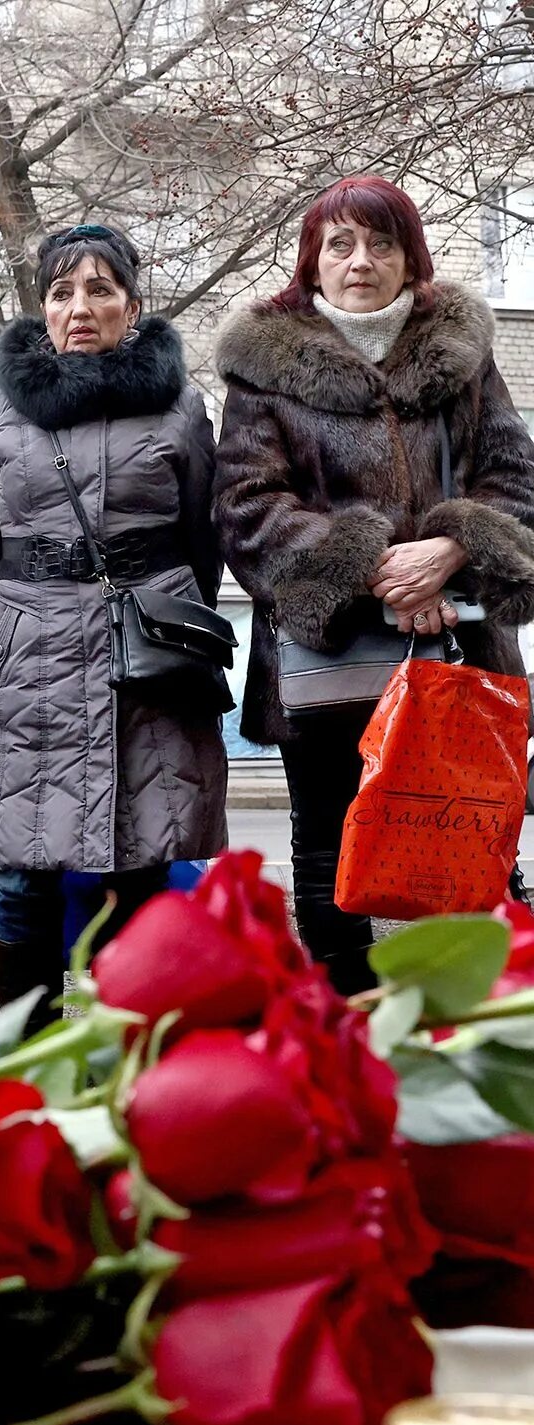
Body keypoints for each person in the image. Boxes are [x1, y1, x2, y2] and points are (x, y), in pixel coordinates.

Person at [216, 176, 534, 994]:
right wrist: (379, 567)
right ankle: (347, 1028)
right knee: (328, 848)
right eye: (341, 244)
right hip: (327, 657)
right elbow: (248, 509)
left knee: (468, 840)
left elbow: (515, 479)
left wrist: (454, 546)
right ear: (312, 262)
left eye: (381, 243)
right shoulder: (265, 370)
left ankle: (469, 1035)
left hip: (458, 652)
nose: (361, 262)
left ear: (410, 258)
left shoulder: (464, 358)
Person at [0, 223, 228, 1026]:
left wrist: (155, 623)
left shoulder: (180, 410)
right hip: (31, 666)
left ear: (132, 307)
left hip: (147, 664)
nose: (81, 307)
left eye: (100, 290)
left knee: (142, 865)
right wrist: (21, 625)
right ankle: (31, 1056)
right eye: (63, 292)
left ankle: (131, 1066)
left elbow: (203, 542)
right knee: (20, 876)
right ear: (42, 308)